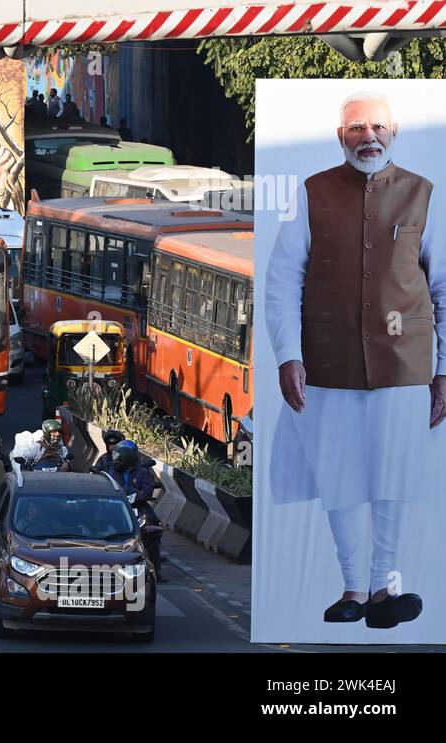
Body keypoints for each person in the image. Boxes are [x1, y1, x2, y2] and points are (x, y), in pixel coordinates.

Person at [265, 90, 438, 628]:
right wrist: (288, 355)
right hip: (327, 361)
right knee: (339, 477)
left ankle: (384, 589)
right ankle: (351, 589)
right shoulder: (311, 193)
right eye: (357, 128)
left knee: (394, 475)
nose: (369, 136)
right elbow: (281, 280)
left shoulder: (424, 195)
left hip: (403, 361)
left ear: (395, 132)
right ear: (341, 136)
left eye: (377, 127)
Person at [108, 440, 161, 568]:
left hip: (138, 507)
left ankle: (156, 568)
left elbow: (147, 491)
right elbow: (108, 488)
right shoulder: (113, 472)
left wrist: (137, 497)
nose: (115, 462)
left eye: (118, 460)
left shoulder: (143, 472)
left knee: (153, 527)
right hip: (117, 509)